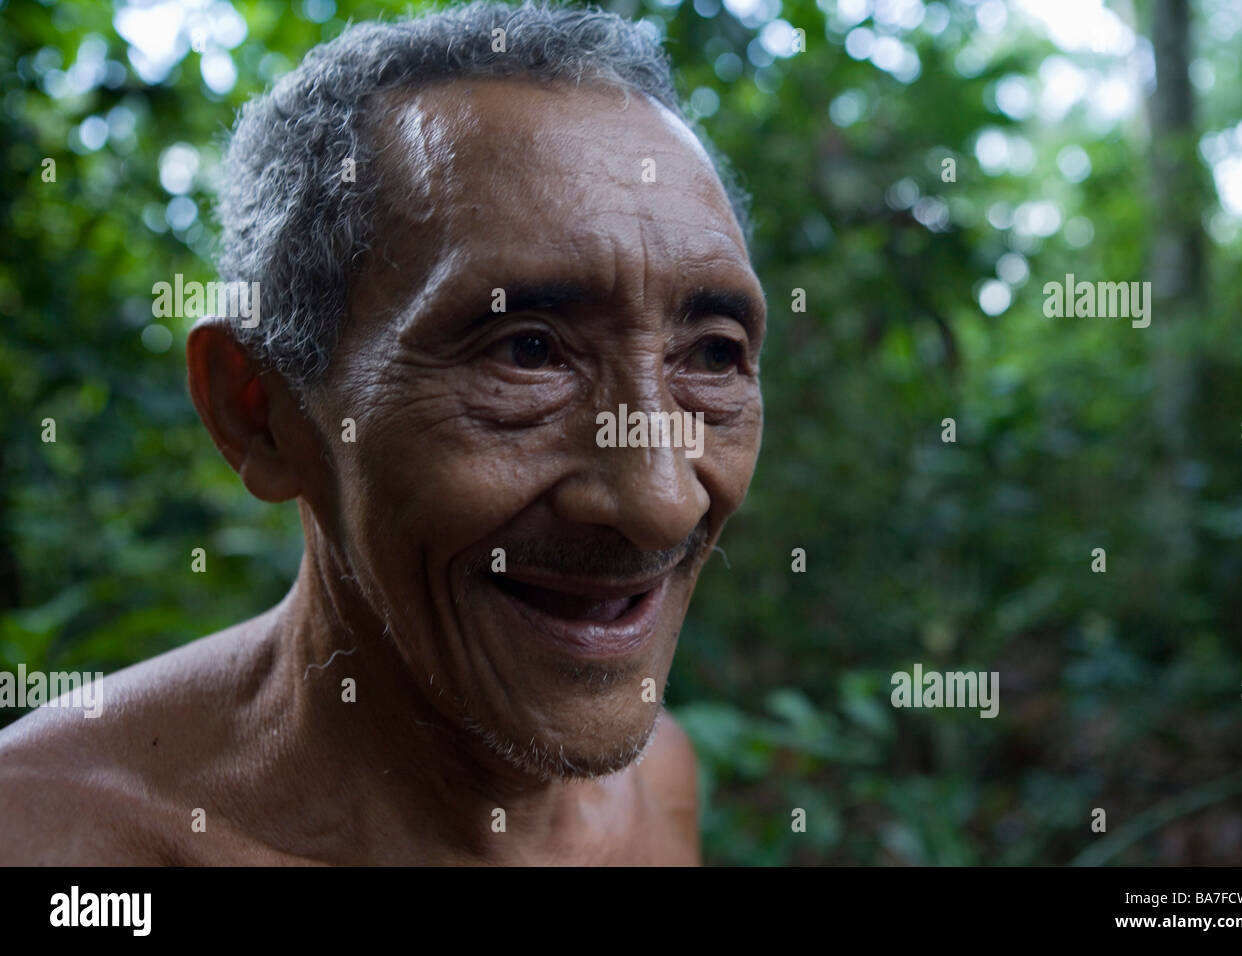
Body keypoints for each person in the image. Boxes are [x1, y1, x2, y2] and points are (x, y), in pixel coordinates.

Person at [0, 0, 766, 865]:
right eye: (528, 353)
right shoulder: (47, 845)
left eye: (711, 354)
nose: (661, 503)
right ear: (258, 410)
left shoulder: (658, 783)